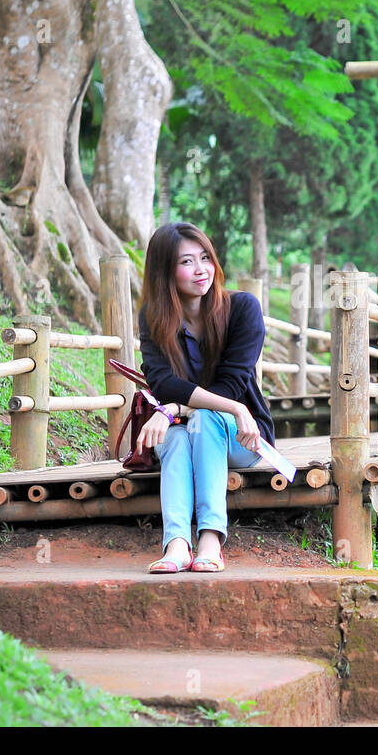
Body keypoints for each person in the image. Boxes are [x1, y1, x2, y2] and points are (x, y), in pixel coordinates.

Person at [134, 222, 275, 574]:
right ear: (165, 272)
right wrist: (175, 410)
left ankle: (211, 538)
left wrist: (175, 409)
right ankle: (177, 545)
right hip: (181, 429)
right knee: (180, 435)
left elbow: (232, 385)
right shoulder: (154, 319)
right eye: (186, 262)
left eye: (205, 258)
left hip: (241, 437)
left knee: (206, 417)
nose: (201, 270)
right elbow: (162, 382)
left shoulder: (242, 309)